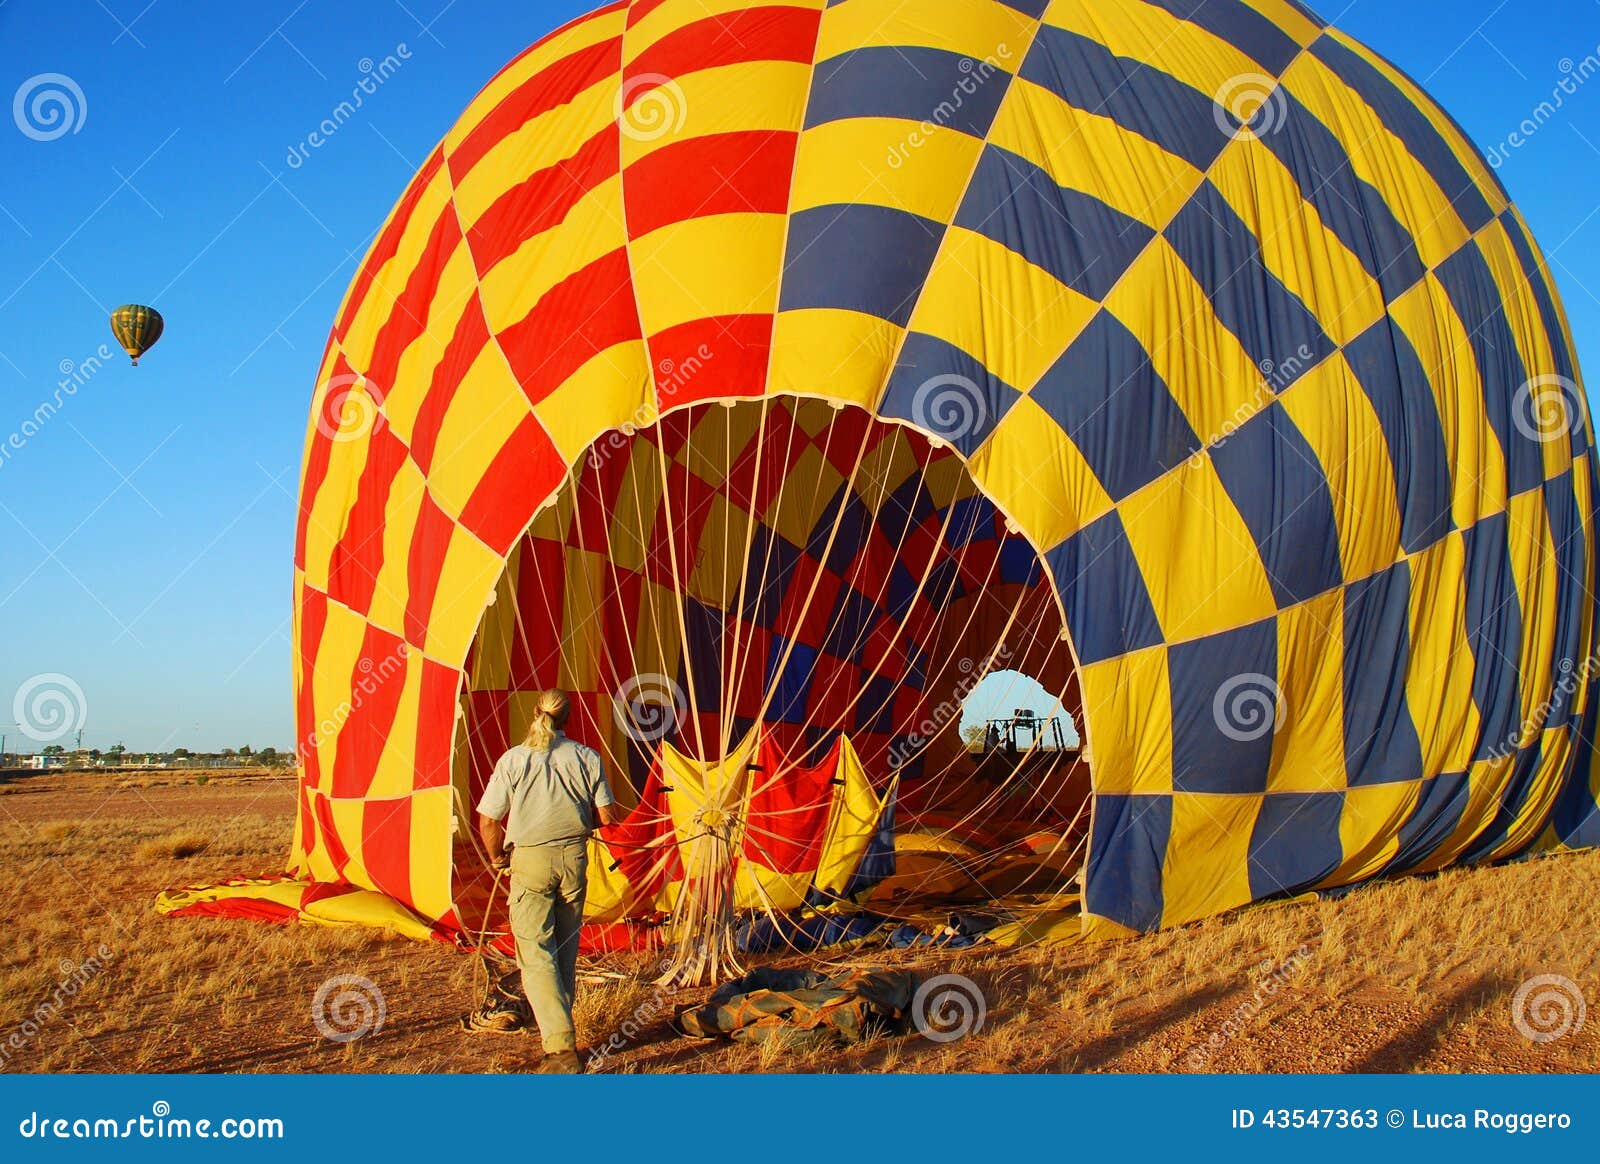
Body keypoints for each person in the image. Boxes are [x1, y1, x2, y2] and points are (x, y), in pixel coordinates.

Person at [476, 688, 615, 1073]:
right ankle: (559, 1029)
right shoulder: (587, 756)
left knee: (536, 952)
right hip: (573, 858)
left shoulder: (514, 759)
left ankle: (561, 1048)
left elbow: (488, 820)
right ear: (568, 718)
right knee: (565, 949)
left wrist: (497, 857)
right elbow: (607, 816)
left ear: (535, 712)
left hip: (530, 860)